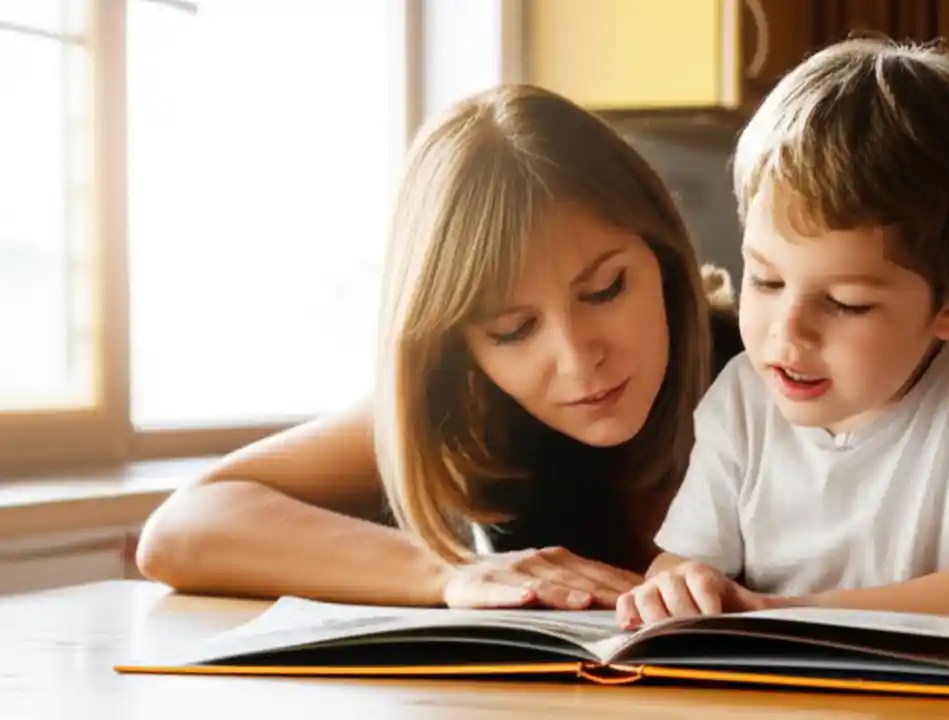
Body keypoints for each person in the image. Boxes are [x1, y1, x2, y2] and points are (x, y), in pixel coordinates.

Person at [134, 84, 743, 610]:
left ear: (662, 255)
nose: (579, 359)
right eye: (512, 330)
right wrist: (447, 573)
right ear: (461, 344)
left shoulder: (780, 368)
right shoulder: (468, 397)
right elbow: (183, 529)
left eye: (606, 289)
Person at [616, 36, 949, 629]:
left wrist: (782, 612)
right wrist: (675, 584)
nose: (789, 333)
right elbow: (682, 562)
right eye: (766, 281)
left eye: (846, 303)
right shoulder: (742, 398)